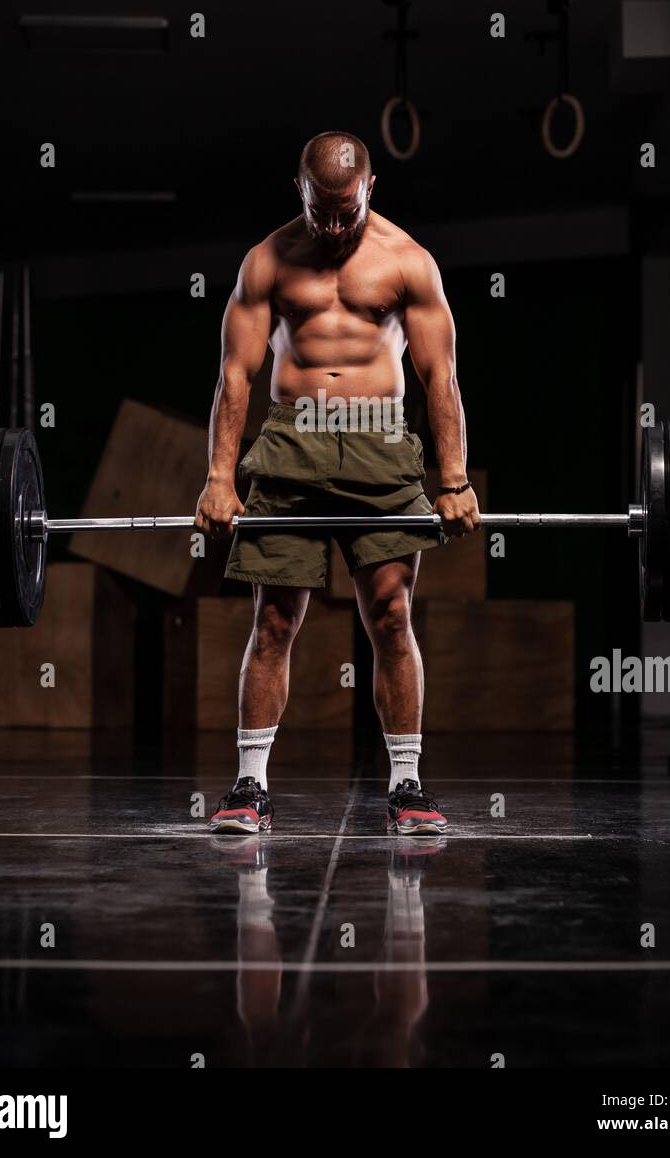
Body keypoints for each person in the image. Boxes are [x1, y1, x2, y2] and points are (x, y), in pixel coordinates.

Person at [195, 131, 481, 835]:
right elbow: (236, 376)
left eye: (344, 211)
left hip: (382, 443)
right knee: (274, 619)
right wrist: (217, 478)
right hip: (292, 441)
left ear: (369, 190)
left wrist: (452, 477)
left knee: (390, 615)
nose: (331, 225)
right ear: (300, 190)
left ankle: (409, 786)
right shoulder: (267, 261)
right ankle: (249, 788)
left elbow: (438, 375)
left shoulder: (408, 261)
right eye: (320, 210)